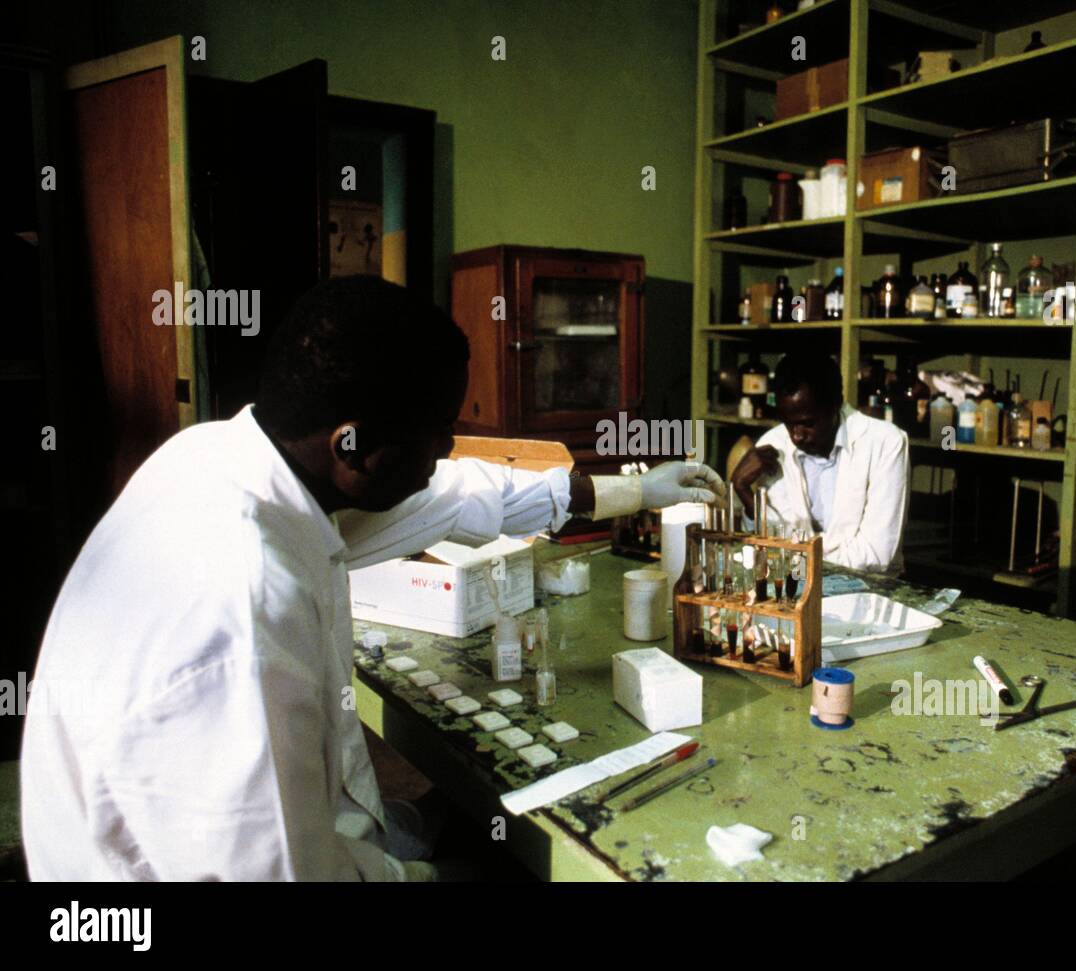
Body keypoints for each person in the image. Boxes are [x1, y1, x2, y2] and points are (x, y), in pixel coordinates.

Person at [21, 275, 722, 881]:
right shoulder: (243, 608)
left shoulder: (226, 459)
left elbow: (462, 495)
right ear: (354, 446)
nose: (449, 448)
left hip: (291, 832)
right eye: (438, 429)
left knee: (473, 821)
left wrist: (635, 491)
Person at [730, 350, 908, 574]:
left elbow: (874, 554)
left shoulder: (885, 442)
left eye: (808, 423)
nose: (796, 436)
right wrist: (744, 492)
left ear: (837, 402)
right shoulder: (774, 445)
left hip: (871, 588)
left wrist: (797, 560)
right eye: (788, 423)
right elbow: (773, 543)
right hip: (797, 585)